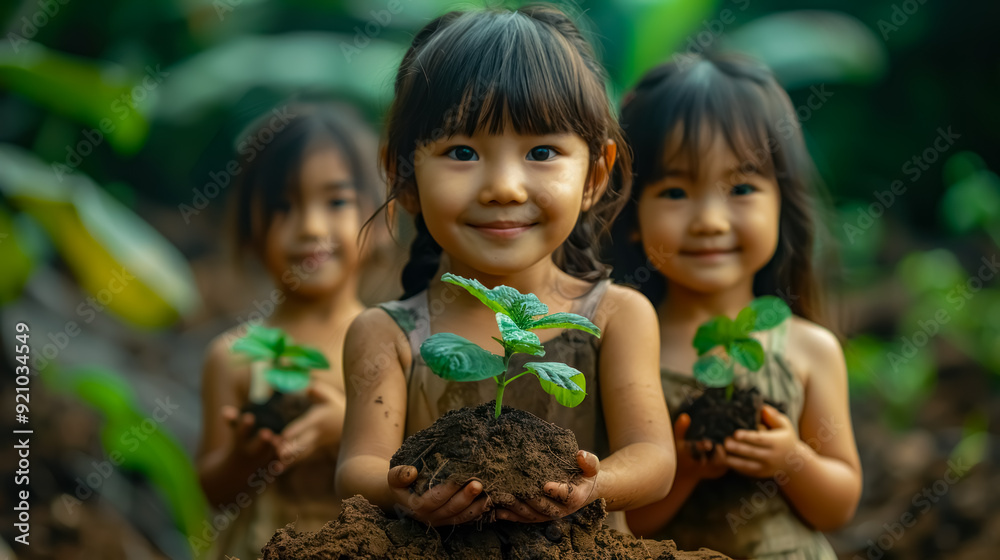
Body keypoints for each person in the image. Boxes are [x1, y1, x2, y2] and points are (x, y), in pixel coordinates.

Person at [335, 5, 675, 532]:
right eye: (463, 152)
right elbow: (357, 466)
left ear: (594, 176)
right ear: (402, 178)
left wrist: (594, 486)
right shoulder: (387, 333)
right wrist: (402, 491)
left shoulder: (616, 315)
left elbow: (653, 458)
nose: (504, 188)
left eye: (541, 151)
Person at [612, 53, 862, 558]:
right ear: (632, 214)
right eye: (676, 191)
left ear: (781, 204)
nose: (710, 220)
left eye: (742, 188)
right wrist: (680, 471)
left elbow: (838, 505)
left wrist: (790, 458)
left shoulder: (809, 349)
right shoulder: (622, 349)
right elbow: (620, 525)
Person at [196, 102, 384, 559]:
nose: (311, 227)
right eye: (283, 206)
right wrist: (247, 456)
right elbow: (214, 491)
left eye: (336, 202)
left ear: (379, 220)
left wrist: (348, 431)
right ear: (250, 227)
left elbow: (417, 471)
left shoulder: (396, 343)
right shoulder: (234, 356)